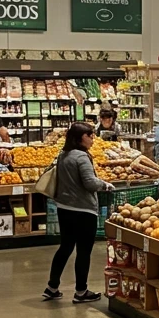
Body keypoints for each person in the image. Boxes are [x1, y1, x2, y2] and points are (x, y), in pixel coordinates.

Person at [43, 122, 113, 303]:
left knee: (65, 247)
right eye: (90, 135)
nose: (92, 139)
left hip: (64, 208)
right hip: (83, 210)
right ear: (80, 137)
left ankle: (52, 287)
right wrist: (104, 184)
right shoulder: (81, 157)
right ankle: (81, 291)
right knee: (83, 252)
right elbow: (89, 183)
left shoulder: (63, 155)